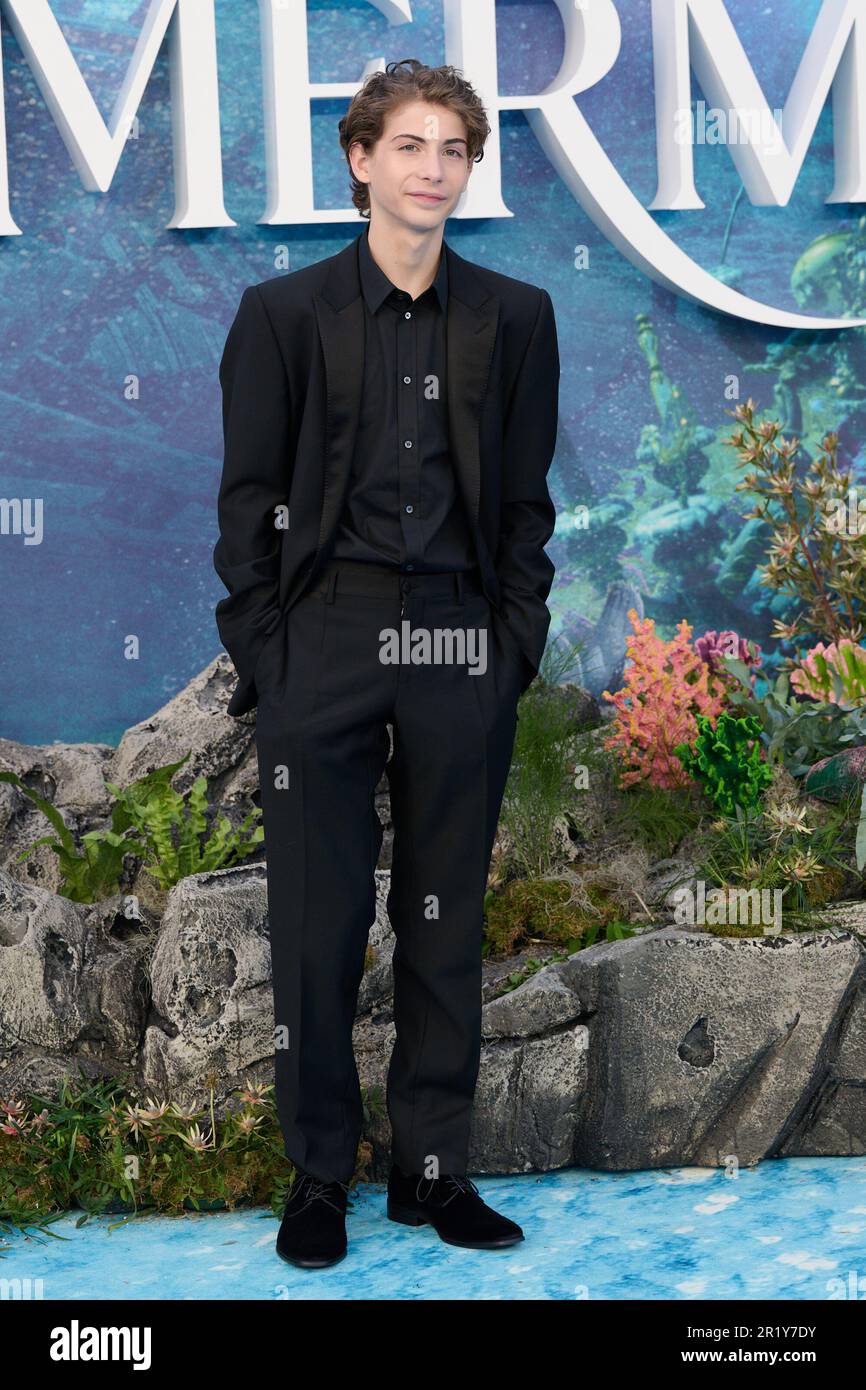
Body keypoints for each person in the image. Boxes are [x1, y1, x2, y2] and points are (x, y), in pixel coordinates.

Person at [213, 58, 560, 1269]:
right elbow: (246, 504)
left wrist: (511, 643)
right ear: (361, 160)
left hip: (461, 637)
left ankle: (429, 1171)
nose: (431, 169)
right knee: (316, 921)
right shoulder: (281, 316)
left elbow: (523, 506)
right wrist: (270, 652)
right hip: (327, 638)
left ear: (467, 171)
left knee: (442, 917)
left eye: (452, 150)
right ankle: (318, 1180)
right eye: (408, 145)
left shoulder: (512, 318)